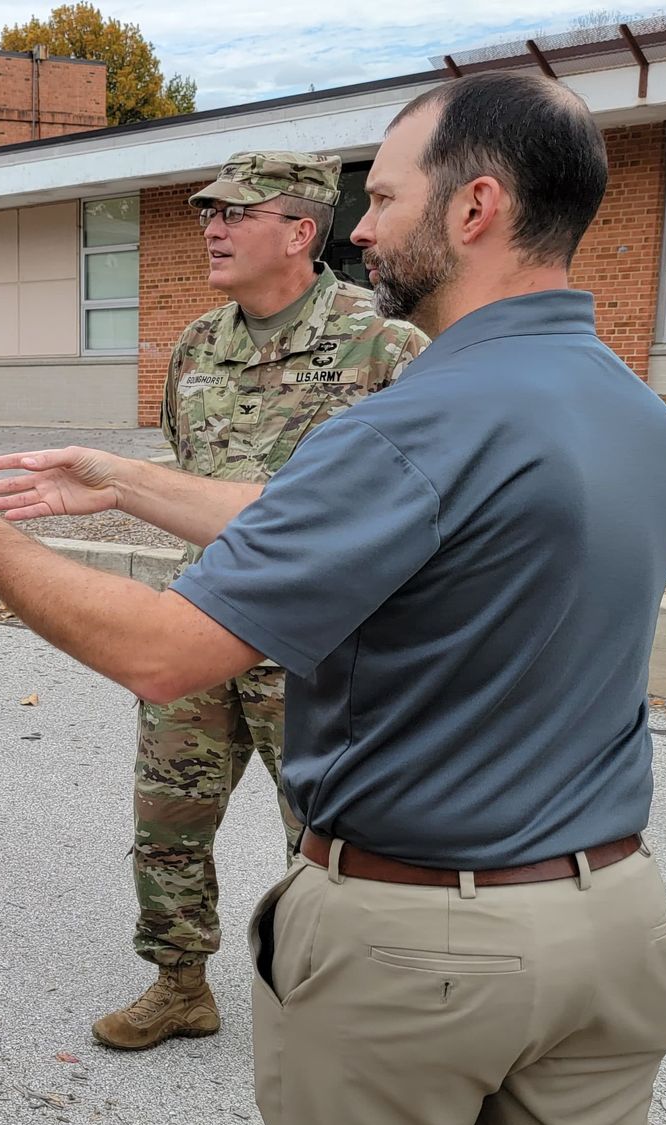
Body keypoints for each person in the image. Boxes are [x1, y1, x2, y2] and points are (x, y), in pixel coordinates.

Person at [0, 71, 666, 1125]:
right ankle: (176, 974)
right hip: (613, 920)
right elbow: (337, 518)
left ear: (476, 208)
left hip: (429, 951)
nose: (361, 227)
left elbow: (163, 651)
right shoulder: (629, 408)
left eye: (384, 197)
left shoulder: (410, 417)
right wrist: (123, 481)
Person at [96, 151, 427, 1052]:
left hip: (323, 643)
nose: (213, 227)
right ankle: (178, 983)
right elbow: (188, 472)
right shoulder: (198, 345)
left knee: (325, 834)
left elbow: (417, 497)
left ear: (301, 231)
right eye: (209, 212)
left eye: (237, 213)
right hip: (203, 620)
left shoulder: (386, 342)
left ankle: (331, 1003)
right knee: (166, 815)